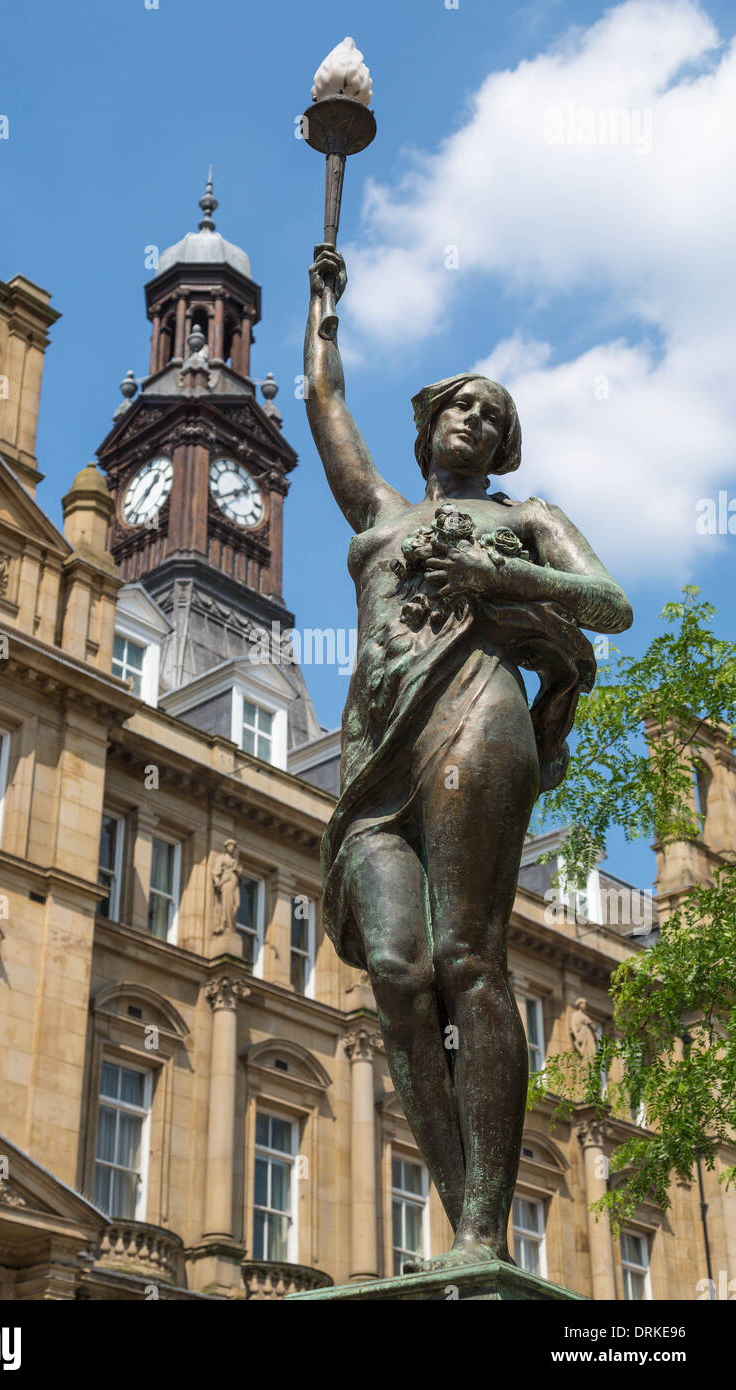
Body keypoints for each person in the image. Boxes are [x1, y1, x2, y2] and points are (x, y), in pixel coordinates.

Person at [304, 245, 632, 1269]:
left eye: (495, 415)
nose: (476, 420)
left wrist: (497, 572)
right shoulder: (379, 513)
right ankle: (465, 1222)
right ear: (430, 421)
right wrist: (323, 312)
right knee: (397, 971)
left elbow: (610, 603)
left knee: (465, 960)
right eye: (462, 405)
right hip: (374, 758)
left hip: (479, 722)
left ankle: (481, 1230)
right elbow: (324, 404)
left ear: (504, 446)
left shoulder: (525, 518)